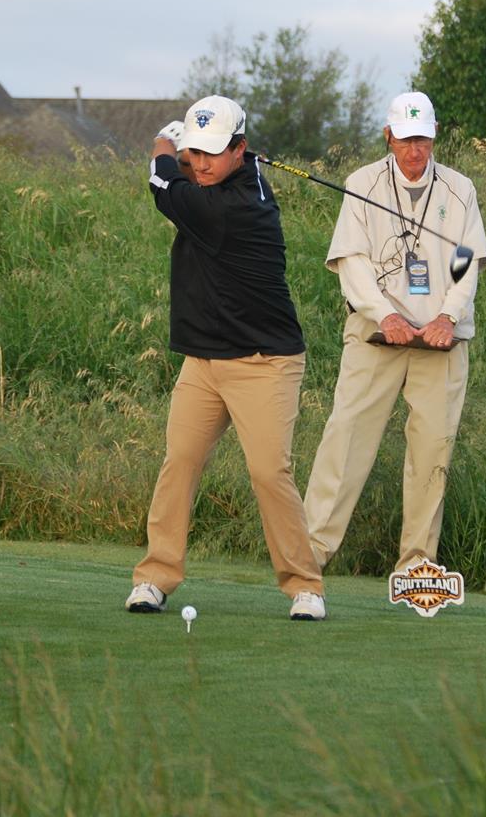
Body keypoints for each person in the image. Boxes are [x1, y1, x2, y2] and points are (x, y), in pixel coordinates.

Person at [125, 96, 327, 621]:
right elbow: (185, 176)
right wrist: (187, 148)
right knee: (180, 463)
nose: (205, 163)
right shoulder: (234, 176)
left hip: (266, 361)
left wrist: (167, 144)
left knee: (268, 472)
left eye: (215, 153)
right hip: (204, 361)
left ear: (240, 150)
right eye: (199, 152)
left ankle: (305, 585)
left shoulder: (237, 209)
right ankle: (154, 577)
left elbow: (164, 183)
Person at [302, 91, 486, 574]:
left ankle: (417, 564)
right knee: (345, 439)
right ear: (388, 136)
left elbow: (465, 259)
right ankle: (309, 555)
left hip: (440, 339)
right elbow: (352, 259)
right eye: (406, 140)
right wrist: (383, 314)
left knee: (432, 451)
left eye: (423, 140)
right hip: (376, 335)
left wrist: (448, 315)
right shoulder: (361, 183)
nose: (414, 152)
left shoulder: (459, 189)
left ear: (435, 136)